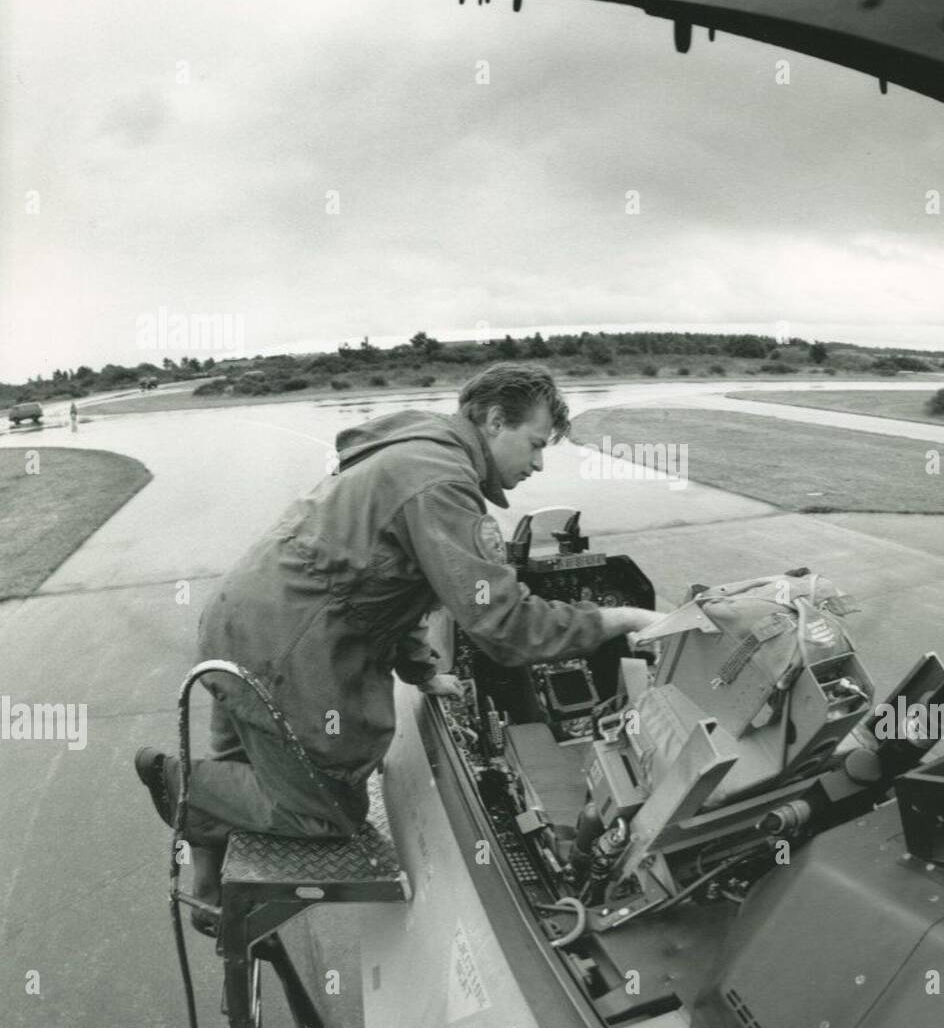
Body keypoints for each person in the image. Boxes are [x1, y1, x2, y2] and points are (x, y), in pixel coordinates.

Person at [135, 363, 663, 931]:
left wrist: (421, 672)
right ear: (492, 421)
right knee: (326, 811)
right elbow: (506, 626)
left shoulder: (414, 453)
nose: (537, 463)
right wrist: (622, 617)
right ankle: (178, 783)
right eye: (534, 445)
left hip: (243, 622)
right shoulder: (441, 482)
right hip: (284, 651)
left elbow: (397, 582)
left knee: (242, 758)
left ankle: (210, 886)